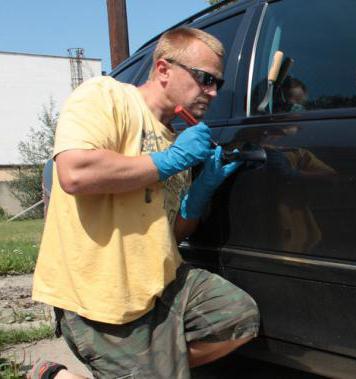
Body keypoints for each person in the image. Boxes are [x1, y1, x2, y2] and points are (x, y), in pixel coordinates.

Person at [29, 27, 259, 379]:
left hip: (161, 284)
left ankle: (147, 367)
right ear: (164, 70)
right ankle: (54, 375)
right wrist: (167, 162)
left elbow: (174, 231)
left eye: (217, 83)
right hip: (101, 300)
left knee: (238, 317)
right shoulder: (105, 96)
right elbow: (74, 173)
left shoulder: (178, 140)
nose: (212, 92)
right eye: (204, 79)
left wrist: (197, 197)